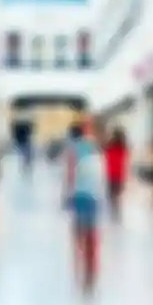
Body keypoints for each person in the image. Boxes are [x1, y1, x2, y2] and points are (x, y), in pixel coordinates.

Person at [63, 119, 104, 294]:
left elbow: (71, 174)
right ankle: (90, 271)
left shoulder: (74, 150)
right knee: (90, 235)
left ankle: (81, 270)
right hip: (93, 197)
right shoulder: (95, 148)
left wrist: (67, 195)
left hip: (80, 197)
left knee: (80, 235)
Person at [103, 128, 130, 222]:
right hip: (120, 175)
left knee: (111, 196)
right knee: (117, 196)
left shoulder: (109, 146)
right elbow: (125, 162)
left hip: (110, 174)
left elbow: (105, 157)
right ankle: (117, 216)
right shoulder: (124, 147)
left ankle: (113, 216)